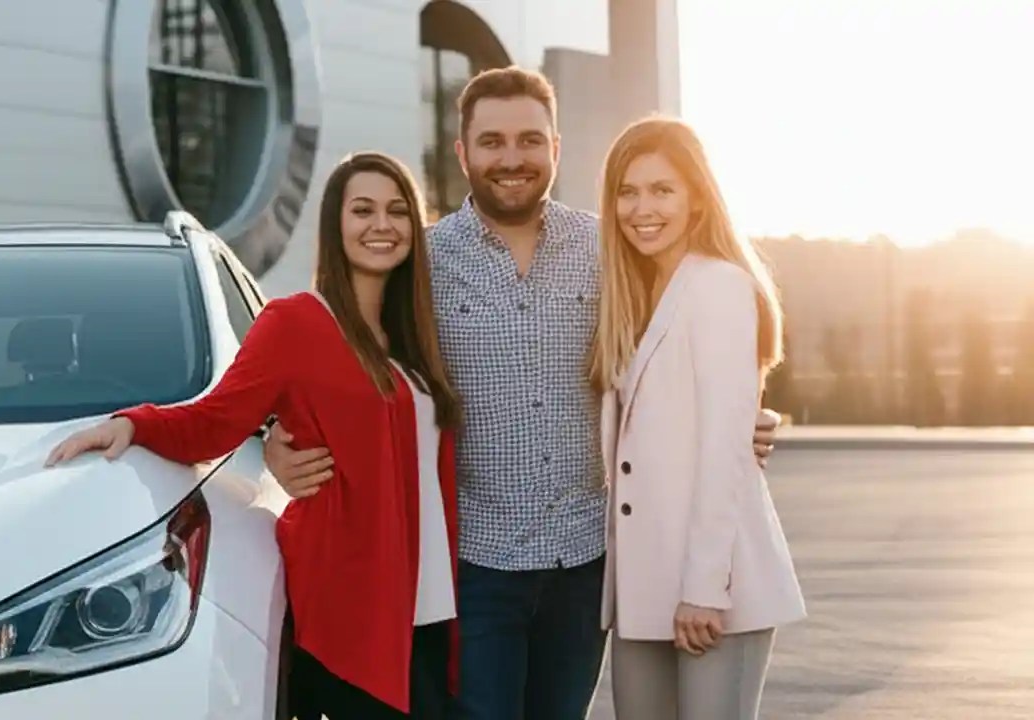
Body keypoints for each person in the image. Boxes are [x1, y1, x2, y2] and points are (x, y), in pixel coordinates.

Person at [264, 67, 783, 720]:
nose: (512, 159)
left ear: (556, 149)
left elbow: (683, 355)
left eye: (530, 141)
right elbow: (349, 367)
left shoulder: (611, 249)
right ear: (463, 152)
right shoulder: (422, 261)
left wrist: (748, 416)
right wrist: (277, 444)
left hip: (589, 560)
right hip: (476, 564)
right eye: (493, 141)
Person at [45, 151, 463, 719]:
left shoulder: (417, 333)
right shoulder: (296, 323)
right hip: (352, 609)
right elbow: (214, 421)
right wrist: (132, 423)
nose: (381, 225)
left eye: (397, 211)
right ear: (334, 225)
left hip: (430, 605)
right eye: (362, 210)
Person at [592, 116, 806, 719]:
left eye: (662, 190)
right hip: (641, 588)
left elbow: (723, 448)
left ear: (696, 200)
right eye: (627, 192)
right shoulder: (631, 297)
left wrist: (704, 589)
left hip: (713, 587)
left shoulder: (718, 286)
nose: (642, 208)